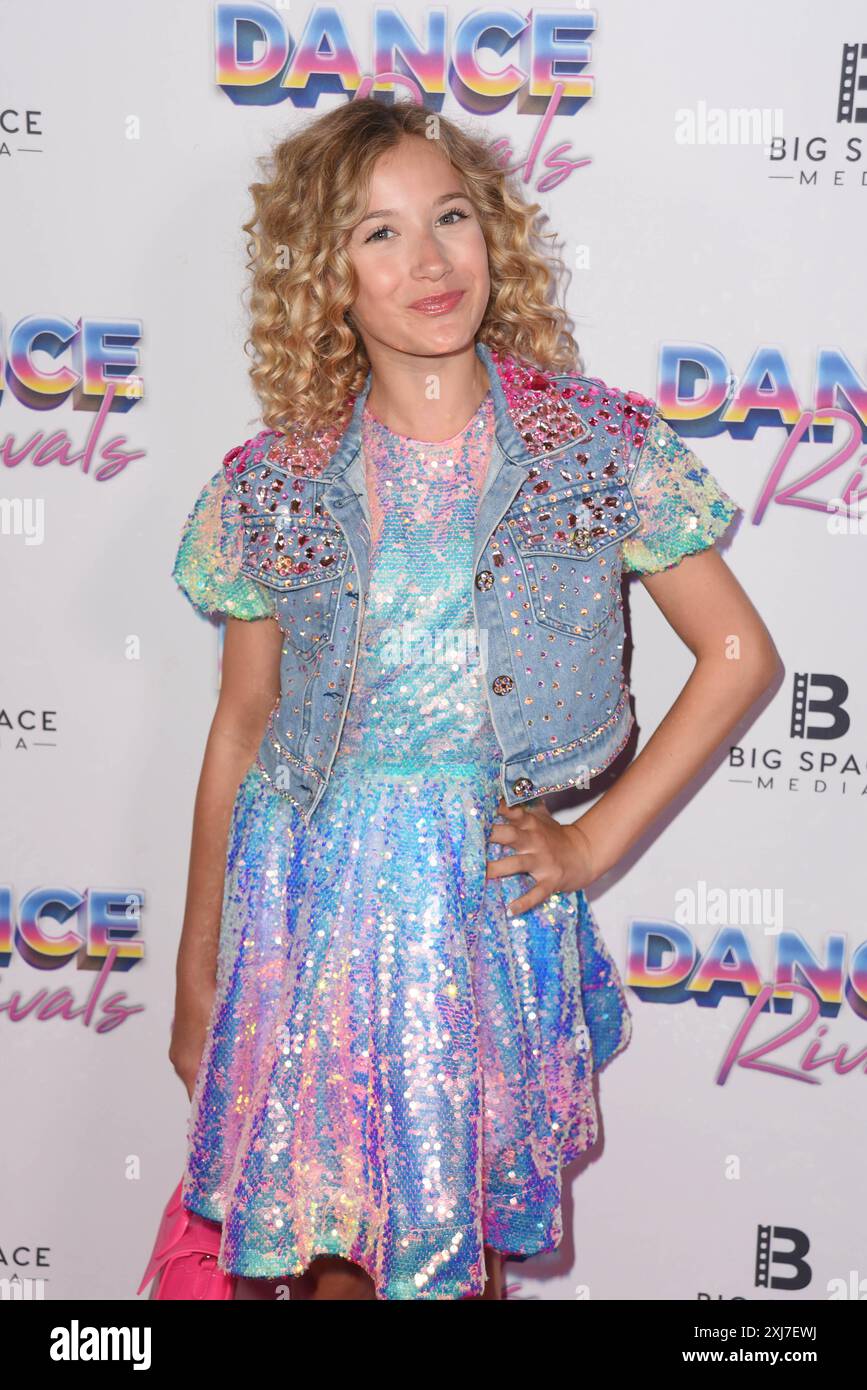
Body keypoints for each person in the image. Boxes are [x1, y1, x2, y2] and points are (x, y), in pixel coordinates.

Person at [162, 98, 780, 1301]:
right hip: (308, 907)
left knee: (450, 1261)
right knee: (324, 1262)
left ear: (492, 229)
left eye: (449, 216)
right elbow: (241, 726)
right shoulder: (272, 481)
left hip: (473, 909)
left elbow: (740, 655)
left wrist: (591, 842)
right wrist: (199, 973)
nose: (430, 260)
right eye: (379, 234)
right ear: (323, 276)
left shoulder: (591, 447)